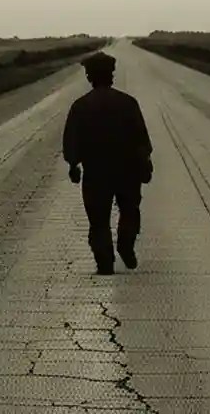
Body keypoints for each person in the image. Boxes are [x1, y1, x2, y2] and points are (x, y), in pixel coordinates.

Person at [62, 51, 153, 275]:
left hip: (96, 172)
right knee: (130, 210)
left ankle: (105, 262)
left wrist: (74, 164)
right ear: (111, 74)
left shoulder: (80, 106)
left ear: (89, 76)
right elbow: (141, 138)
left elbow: (71, 140)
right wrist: (145, 163)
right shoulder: (128, 103)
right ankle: (125, 244)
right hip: (128, 170)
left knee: (98, 219)